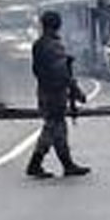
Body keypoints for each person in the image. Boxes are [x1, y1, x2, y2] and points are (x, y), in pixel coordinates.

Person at [27, 10, 90, 179]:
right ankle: (36, 163)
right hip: (54, 93)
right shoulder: (54, 46)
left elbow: (38, 71)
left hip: (45, 91)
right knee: (53, 128)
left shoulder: (39, 44)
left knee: (57, 129)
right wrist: (76, 91)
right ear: (58, 25)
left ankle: (65, 164)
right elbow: (62, 72)